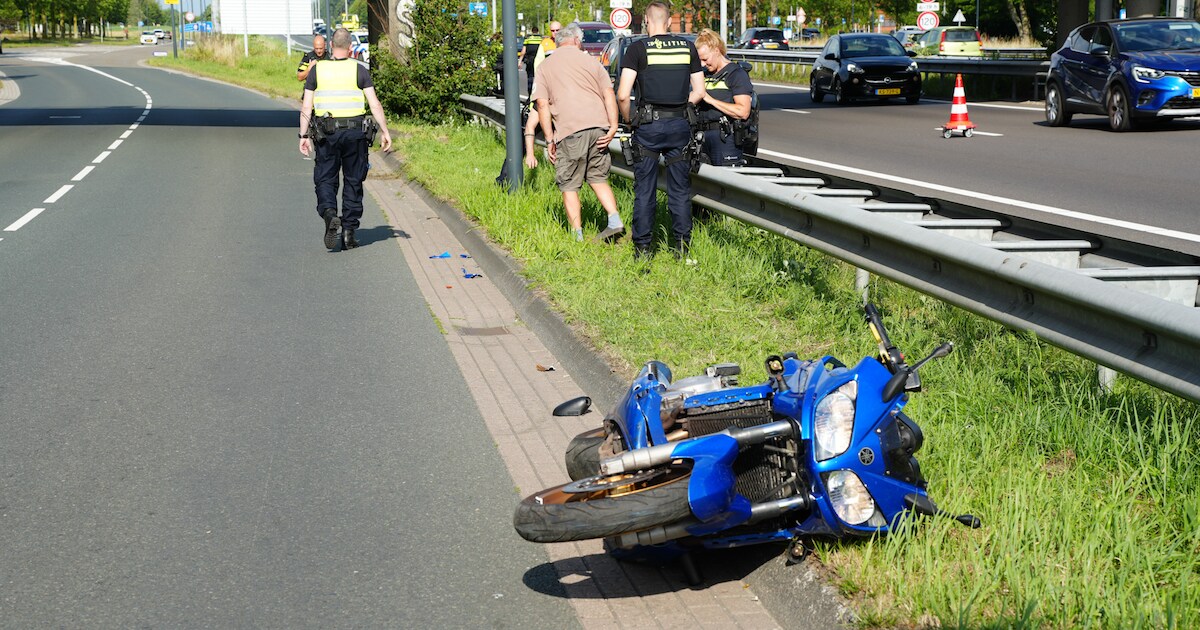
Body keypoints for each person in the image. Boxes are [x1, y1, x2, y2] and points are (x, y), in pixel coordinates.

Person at [616, 1, 705, 262]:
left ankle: (643, 250)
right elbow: (699, 91)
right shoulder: (688, 47)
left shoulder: (637, 49)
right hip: (679, 127)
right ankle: (681, 249)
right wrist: (680, 108)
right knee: (679, 190)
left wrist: (630, 120)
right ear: (669, 21)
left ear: (646, 21)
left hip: (648, 127)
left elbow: (623, 94)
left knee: (645, 191)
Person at [299, 28, 393, 251]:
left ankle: (330, 213)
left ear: (331, 46)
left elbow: (306, 106)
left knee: (325, 178)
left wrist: (303, 135)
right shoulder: (359, 70)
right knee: (353, 180)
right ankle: (349, 233)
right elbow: (375, 103)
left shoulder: (317, 70)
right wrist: (385, 130)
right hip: (355, 134)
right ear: (350, 48)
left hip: (326, 134)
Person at [533, 22, 624, 242]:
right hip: (599, 128)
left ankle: (577, 237)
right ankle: (614, 220)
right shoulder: (592, 62)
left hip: (571, 130)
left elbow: (542, 105)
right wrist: (613, 126)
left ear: (557, 41)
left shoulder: (545, 66)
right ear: (576, 40)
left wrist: (549, 139)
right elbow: (608, 93)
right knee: (598, 177)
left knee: (569, 184)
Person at [694, 29, 753, 167]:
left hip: (725, 139)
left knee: (724, 184)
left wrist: (710, 100)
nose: (702, 64)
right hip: (701, 138)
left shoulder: (736, 74)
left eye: (705, 59)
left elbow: (743, 111)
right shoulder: (703, 74)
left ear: (716, 50)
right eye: (699, 60)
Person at [519, 27, 541, 95]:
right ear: (538, 31)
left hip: (529, 61)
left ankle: (530, 94)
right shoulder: (541, 39)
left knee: (530, 77)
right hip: (539, 60)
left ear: (532, 31)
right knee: (539, 78)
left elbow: (523, 52)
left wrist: (520, 61)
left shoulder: (528, 39)